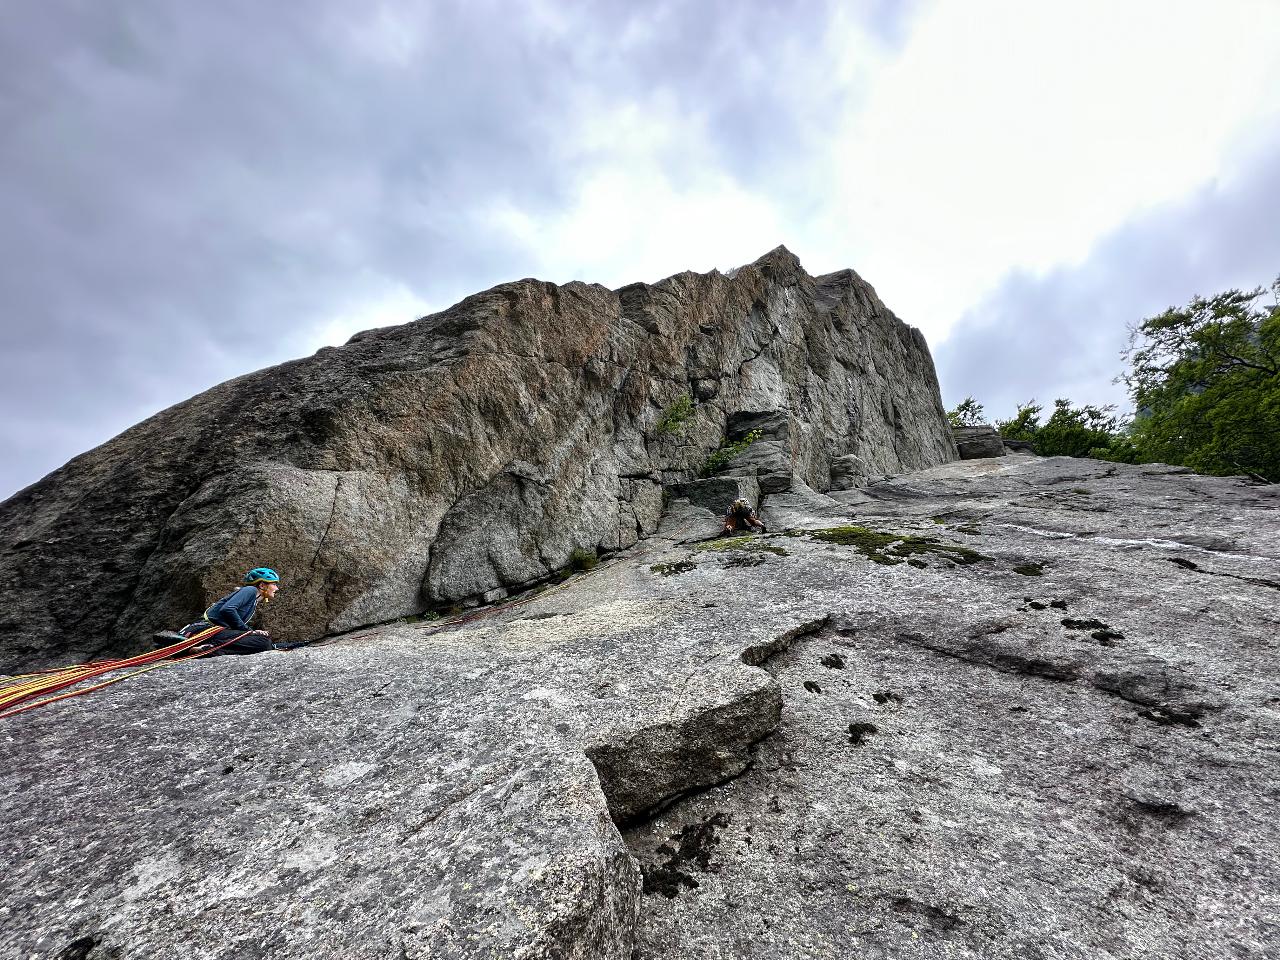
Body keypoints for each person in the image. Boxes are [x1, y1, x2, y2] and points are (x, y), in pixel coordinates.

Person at [181, 567, 286, 655]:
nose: (277, 588)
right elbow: (227, 609)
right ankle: (210, 648)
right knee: (263, 642)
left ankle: (206, 649)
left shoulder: (253, 599)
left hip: (213, 633)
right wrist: (249, 631)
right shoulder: (250, 590)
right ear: (262, 585)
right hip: (206, 630)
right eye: (274, 584)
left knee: (263, 642)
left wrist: (252, 632)